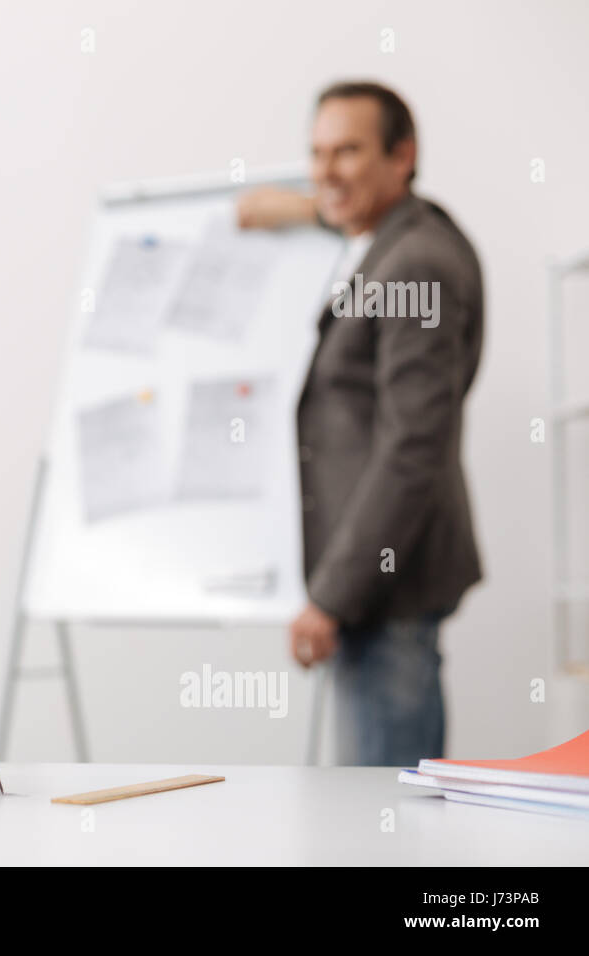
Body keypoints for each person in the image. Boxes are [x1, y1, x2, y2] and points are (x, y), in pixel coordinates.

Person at [237, 81, 483, 765]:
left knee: (384, 823)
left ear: (403, 155)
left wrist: (332, 598)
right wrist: (297, 207)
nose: (326, 172)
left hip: (384, 587)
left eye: (348, 151)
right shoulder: (395, 234)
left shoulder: (419, 268)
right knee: (378, 810)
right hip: (378, 585)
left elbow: (413, 450)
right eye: (317, 153)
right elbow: (340, 207)